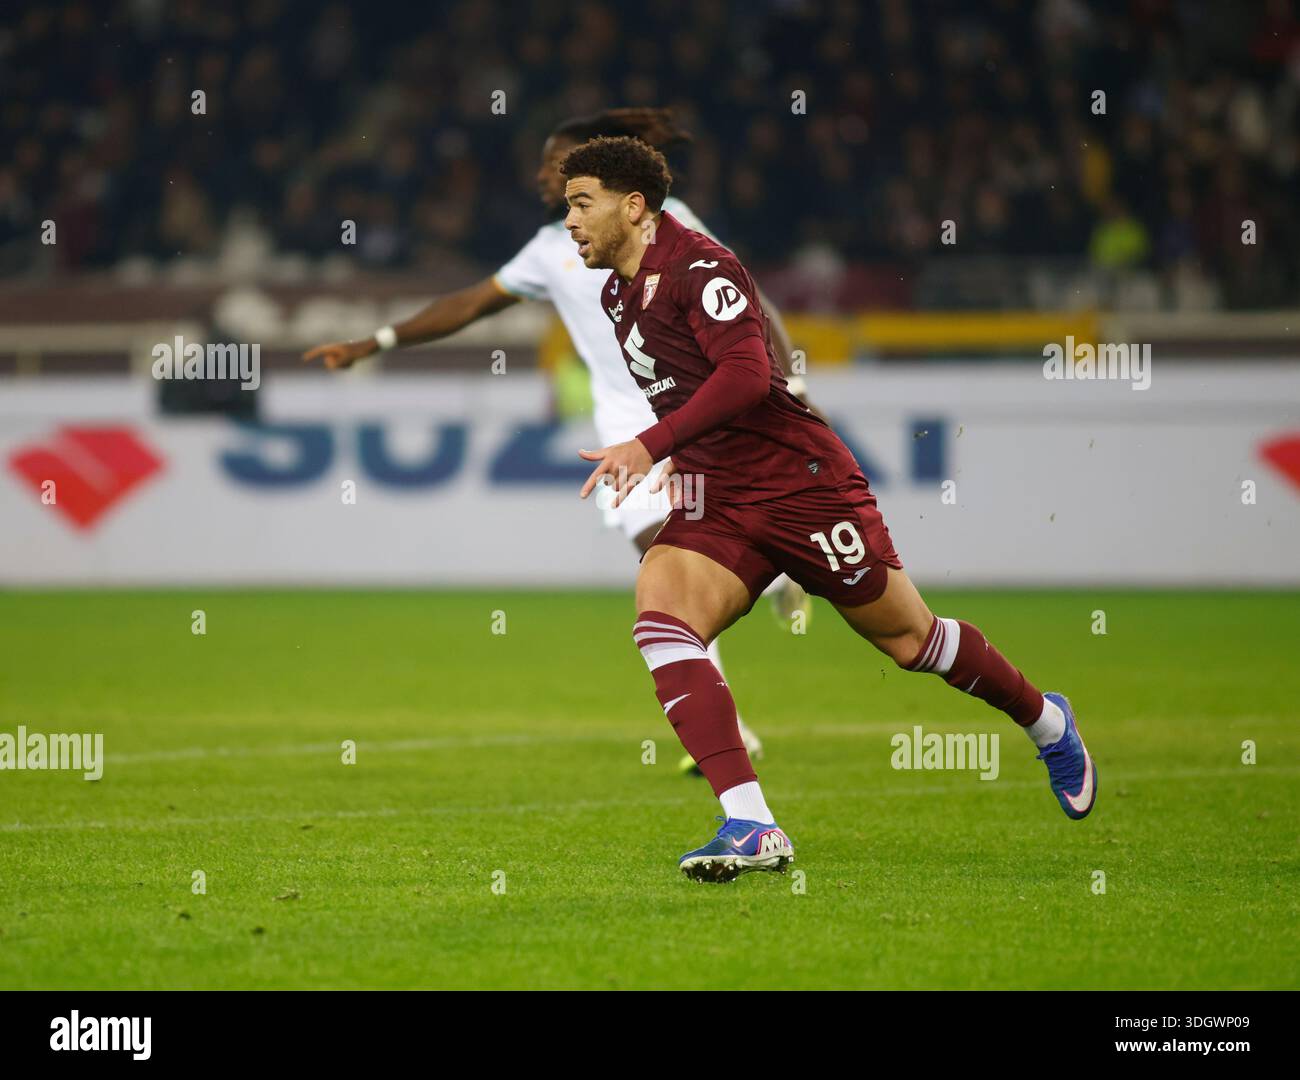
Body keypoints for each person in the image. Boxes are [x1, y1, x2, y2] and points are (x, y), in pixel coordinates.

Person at [561, 135, 1097, 884]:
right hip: (720, 496)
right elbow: (687, 390)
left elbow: (748, 374)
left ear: (634, 205)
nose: (571, 221)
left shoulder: (702, 266)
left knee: (914, 643)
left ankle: (1047, 720)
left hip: (801, 485)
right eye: (567, 207)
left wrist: (650, 445)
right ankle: (751, 823)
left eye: (582, 203)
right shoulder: (618, 292)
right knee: (662, 616)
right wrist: (681, 457)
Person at [303, 108, 810, 774]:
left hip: (697, 411)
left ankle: (749, 661)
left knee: (672, 564)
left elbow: (741, 292)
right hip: (625, 431)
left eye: (555, 163)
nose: (543, 176)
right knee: (667, 564)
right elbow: (468, 304)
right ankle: (743, 681)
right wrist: (377, 341)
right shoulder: (549, 250)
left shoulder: (667, 216)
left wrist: (789, 379)